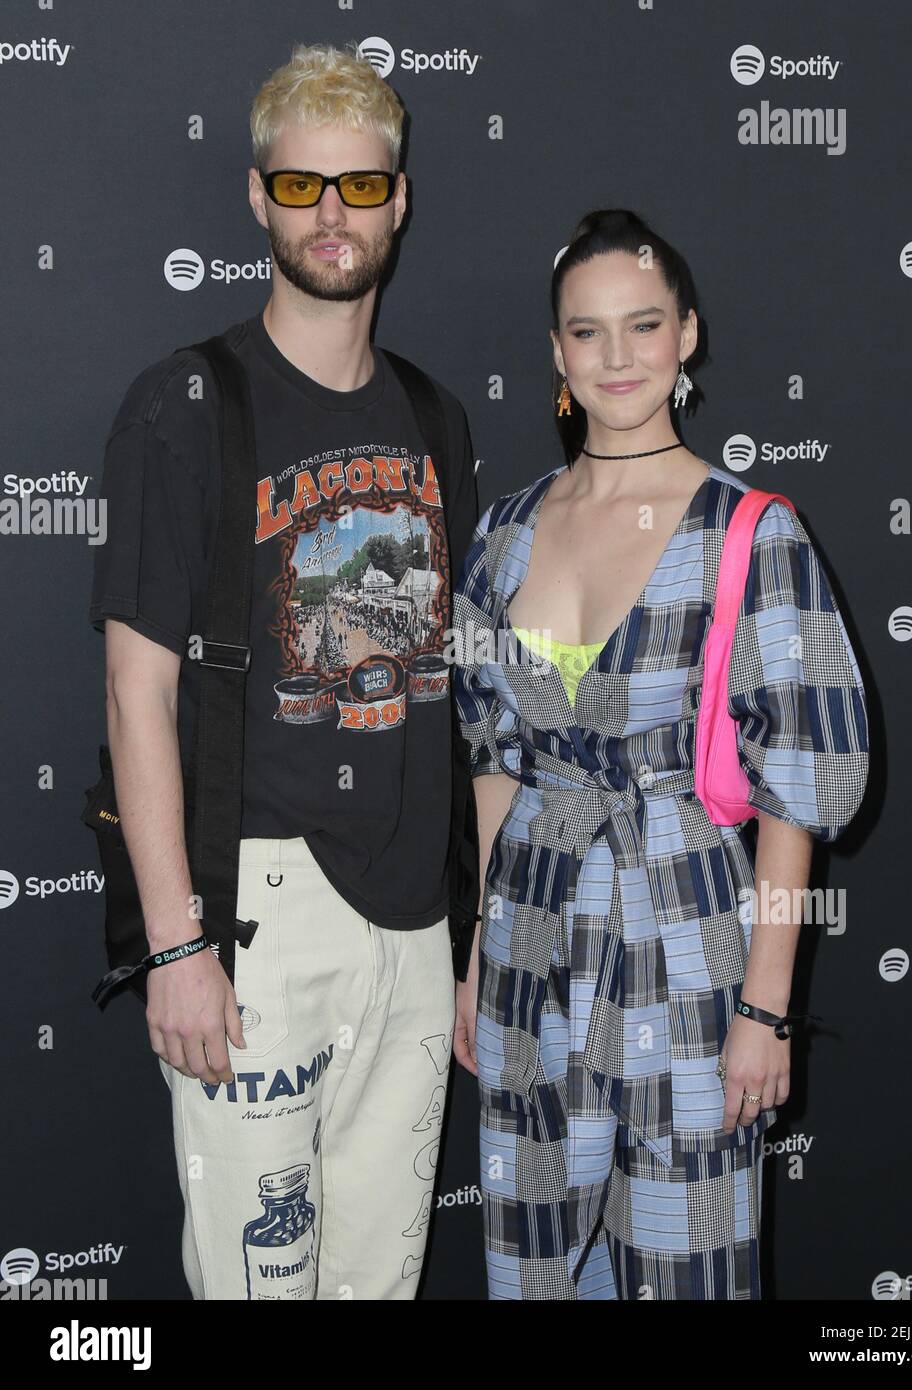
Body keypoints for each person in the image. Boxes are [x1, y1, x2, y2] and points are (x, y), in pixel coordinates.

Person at [88, 43, 479, 1300]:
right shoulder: (186, 405)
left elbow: (464, 680)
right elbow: (135, 694)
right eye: (301, 186)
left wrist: (470, 939)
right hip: (255, 910)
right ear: (258, 198)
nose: (330, 213)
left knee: (380, 1274)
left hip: (416, 915)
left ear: (399, 201)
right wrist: (174, 946)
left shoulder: (435, 416)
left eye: (359, 188)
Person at [450, 209, 869, 1300]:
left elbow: (799, 794)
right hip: (528, 958)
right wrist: (476, 960)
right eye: (587, 333)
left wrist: (766, 1008)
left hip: (687, 938)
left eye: (643, 325)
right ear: (556, 353)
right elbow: (493, 757)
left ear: (686, 334)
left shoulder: (750, 532)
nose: (617, 356)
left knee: (684, 1271)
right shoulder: (502, 531)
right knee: (534, 1273)